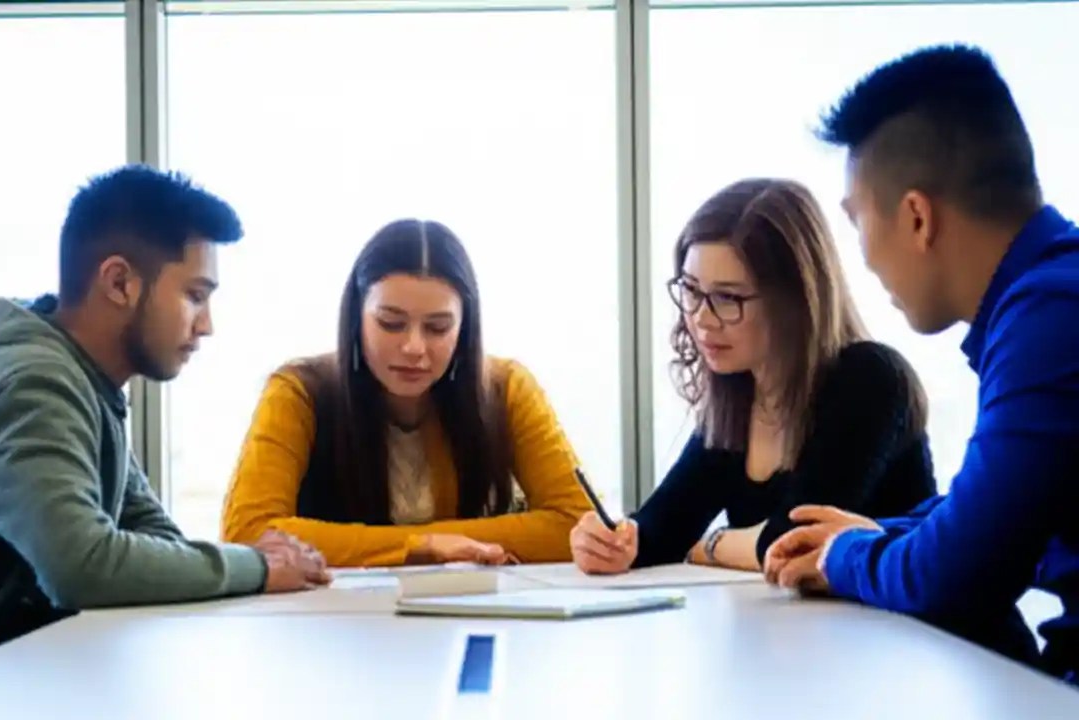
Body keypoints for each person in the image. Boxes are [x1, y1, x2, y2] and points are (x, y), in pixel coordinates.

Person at [0, 165, 329, 695]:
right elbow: (85, 565)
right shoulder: (32, 385)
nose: (206, 323)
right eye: (195, 295)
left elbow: (153, 540)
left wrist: (249, 566)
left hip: (6, 681)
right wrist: (256, 566)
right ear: (119, 282)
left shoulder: (86, 385)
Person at [763, 44, 1079, 682]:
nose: (866, 260)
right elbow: (990, 505)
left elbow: (957, 572)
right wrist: (876, 532)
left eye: (857, 223)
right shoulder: (1050, 298)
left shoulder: (1052, 312)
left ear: (916, 217)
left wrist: (844, 557)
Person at [571, 178, 936, 575]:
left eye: (728, 298)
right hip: (812, 633)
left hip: (916, 634)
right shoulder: (739, 386)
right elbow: (662, 528)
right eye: (691, 290)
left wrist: (709, 543)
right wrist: (610, 542)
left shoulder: (869, 378)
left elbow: (791, 543)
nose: (701, 319)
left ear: (796, 300)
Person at [220, 218, 592, 567]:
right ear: (357, 318)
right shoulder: (299, 391)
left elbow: (575, 522)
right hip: (333, 623)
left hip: (467, 613)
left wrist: (430, 541)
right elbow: (249, 533)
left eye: (438, 328)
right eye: (391, 324)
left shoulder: (505, 386)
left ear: (464, 329)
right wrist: (421, 547)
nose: (414, 347)